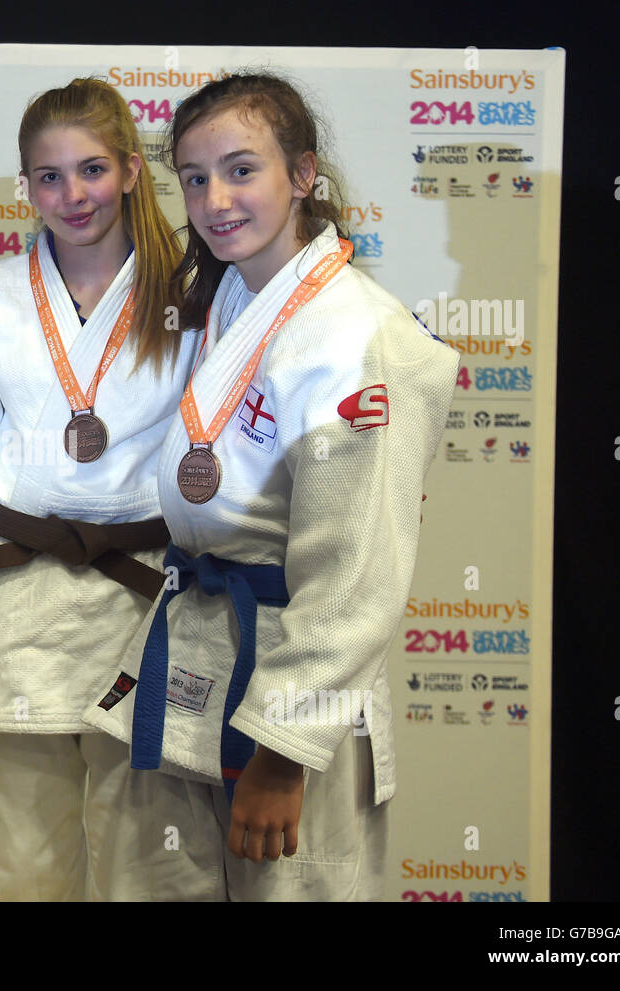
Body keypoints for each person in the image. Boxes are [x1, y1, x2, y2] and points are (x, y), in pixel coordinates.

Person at [83, 72, 459, 900]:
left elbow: (357, 577)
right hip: (198, 652)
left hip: (292, 684)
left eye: (241, 169)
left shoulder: (358, 338)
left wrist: (283, 751)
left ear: (302, 173)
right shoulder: (229, 299)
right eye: (194, 177)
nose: (215, 199)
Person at [0, 77, 206, 900]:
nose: (72, 195)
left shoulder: (189, 296)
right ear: (25, 184)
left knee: (147, 854)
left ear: (133, 170)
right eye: (49, 176)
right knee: (20, 853)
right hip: (22, 586)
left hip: (145, 591)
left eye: (92, 170)